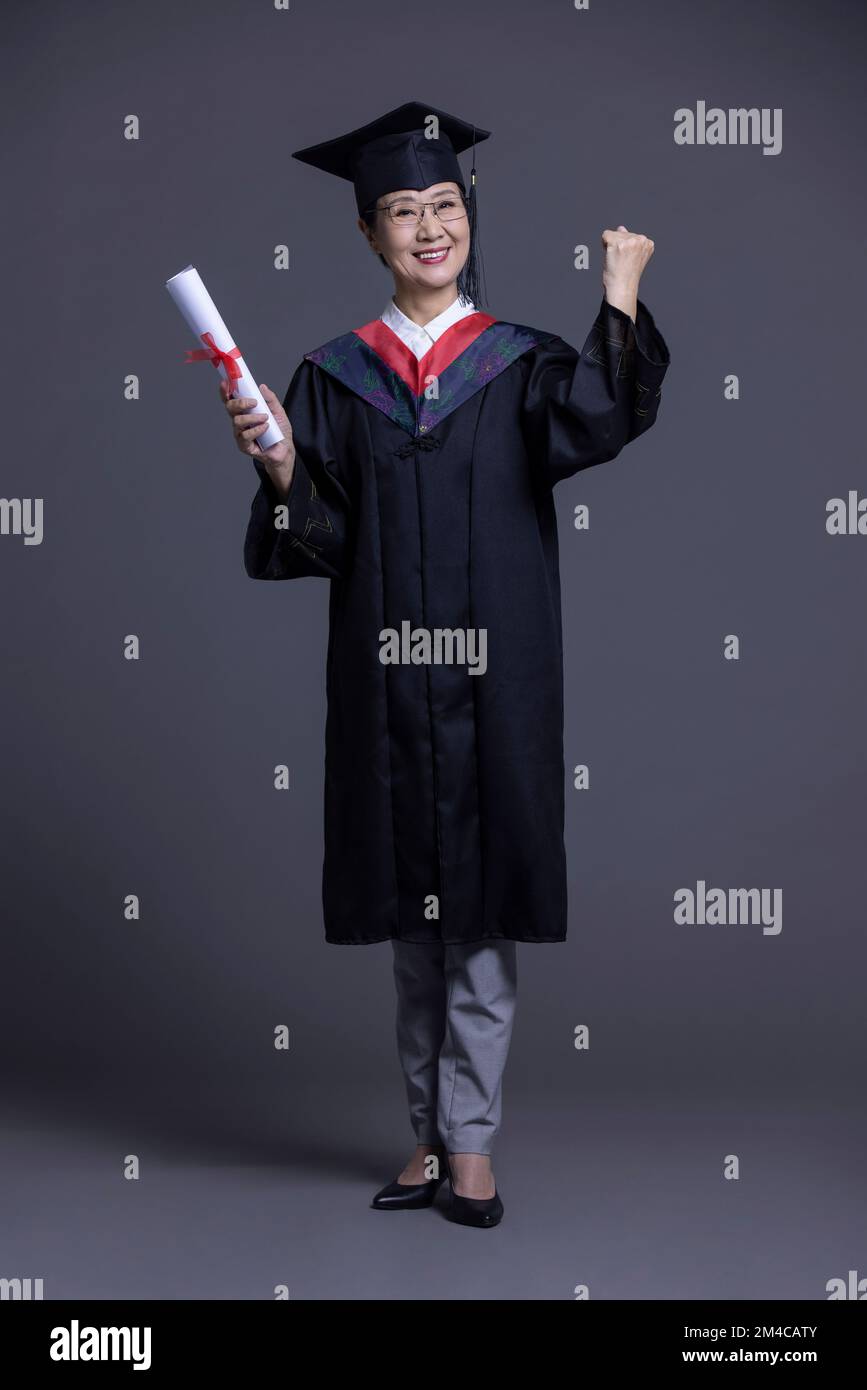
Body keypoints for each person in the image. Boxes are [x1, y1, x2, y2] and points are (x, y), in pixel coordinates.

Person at [222, 102, 671, 1228]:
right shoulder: (334, 376)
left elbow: (601, 420)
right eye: (402, 211)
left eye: (444, 205)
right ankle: (426, 1135)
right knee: (414, 934)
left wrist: (617, 290)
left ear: (469, 215)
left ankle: (470, 1145)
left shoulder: (517, 364)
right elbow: (321, 536)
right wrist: (279, 463)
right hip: (385, 683)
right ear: (370, 235)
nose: (428, 226)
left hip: (496, 679)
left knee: (476, 922)